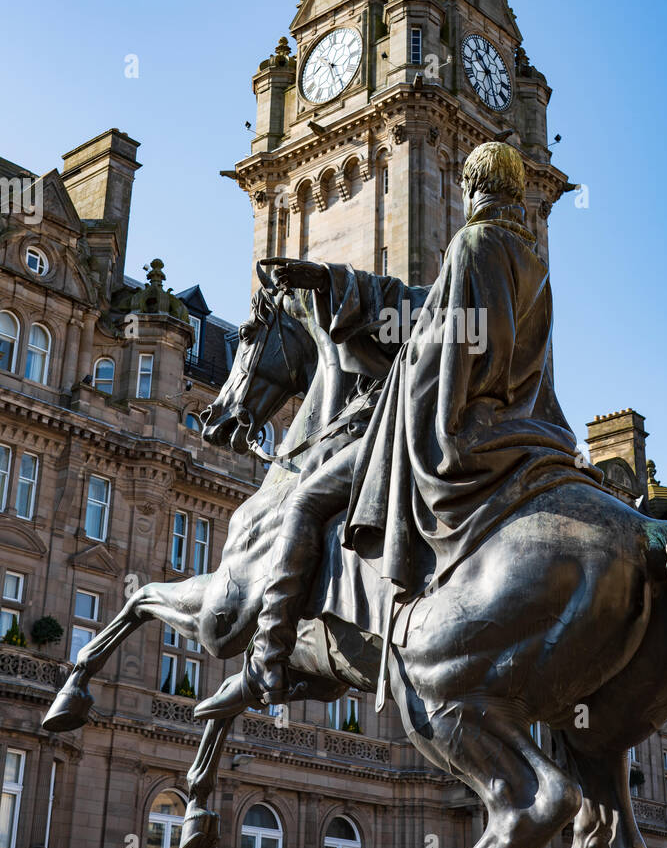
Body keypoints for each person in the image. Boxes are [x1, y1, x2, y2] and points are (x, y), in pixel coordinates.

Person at [197, 141, 600, 719]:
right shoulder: (534, 261)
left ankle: (268, 652)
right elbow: (438, 313)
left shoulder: (472, 242)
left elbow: (434, 325)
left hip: (454, 425)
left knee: (307, 501)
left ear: (473, 187)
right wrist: (334, 281)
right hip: (522, 426)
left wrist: (365, 324)